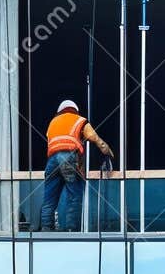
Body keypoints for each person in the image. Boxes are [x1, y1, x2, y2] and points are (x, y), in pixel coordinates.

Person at [39, 99, 114, 232]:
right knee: (74, 195)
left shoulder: (52, 123)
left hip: (51, 161)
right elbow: (94, 138)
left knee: (49, 197)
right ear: (75, 110)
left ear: (60, 111)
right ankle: (71, 230)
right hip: (67, 157)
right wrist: (106, 150)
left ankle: (46, 228)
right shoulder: (79, 120)